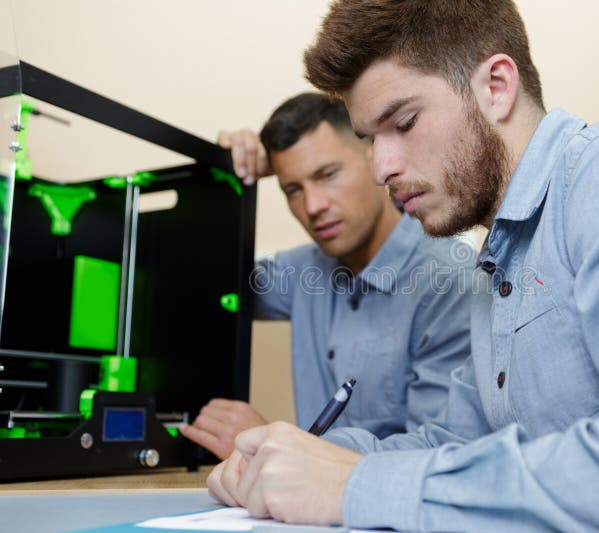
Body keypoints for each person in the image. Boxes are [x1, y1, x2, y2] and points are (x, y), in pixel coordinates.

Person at [206, 1, 599, 531]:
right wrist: (292, 457)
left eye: (403, 123)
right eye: (369, 139)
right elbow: (454, 445)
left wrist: (351, 485)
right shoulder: (500, 262)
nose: (382, 166)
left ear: (496, 87)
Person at [180, 93, 474, 460]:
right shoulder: (303, 271)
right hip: (305, 512)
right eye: (293, 189)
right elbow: (196, 278)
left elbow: (435, 458)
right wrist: (227, 170)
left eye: (327, 174)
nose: (313, 206)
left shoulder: (447, 281)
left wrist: (272, 446)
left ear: (374, 157)